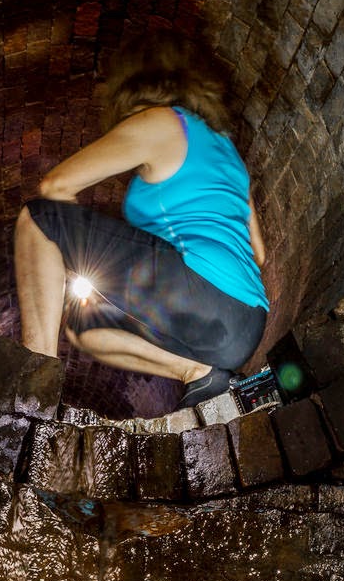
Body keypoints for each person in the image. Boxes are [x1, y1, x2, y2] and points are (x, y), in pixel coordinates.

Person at [14, 34, 268, 410]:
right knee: (85, 328)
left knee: (38, 219)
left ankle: (32, 391)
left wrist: (65, 254)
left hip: (203, 298)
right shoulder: (228, 153)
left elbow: (56, 185)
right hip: (246, 328)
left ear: (136, 88)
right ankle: (198, 373)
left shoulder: (162, 122)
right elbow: (258, 255)